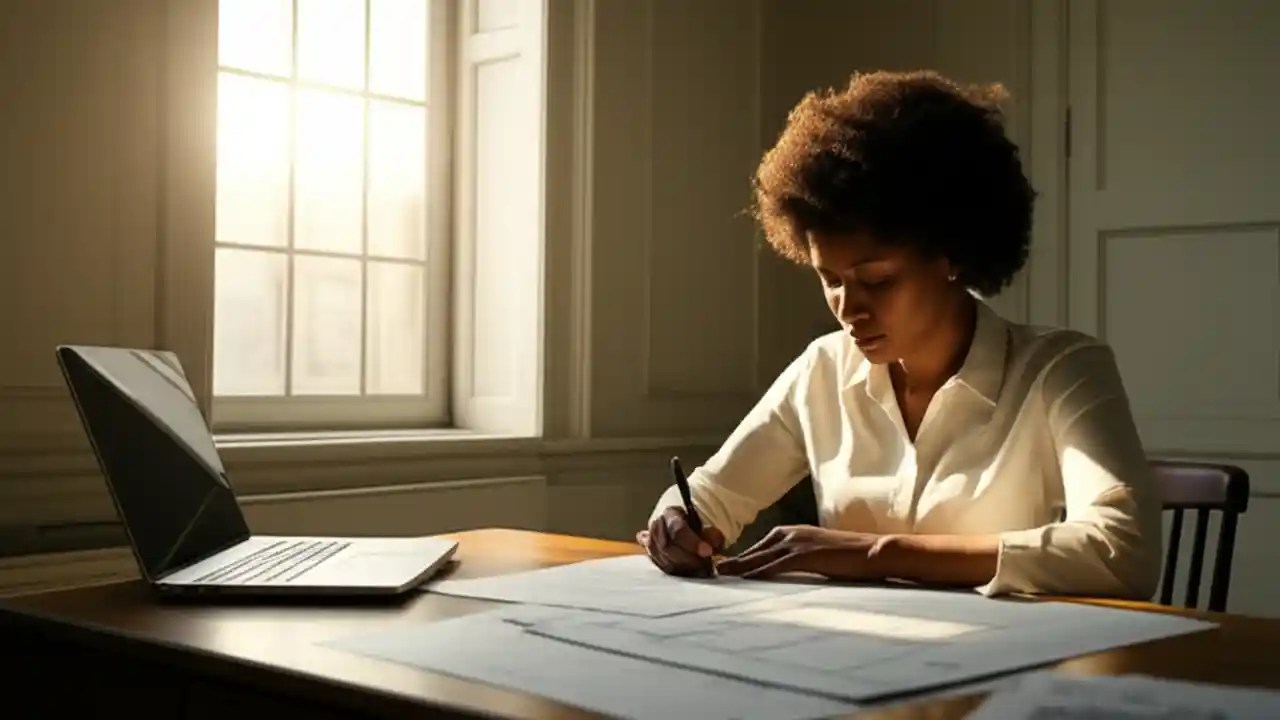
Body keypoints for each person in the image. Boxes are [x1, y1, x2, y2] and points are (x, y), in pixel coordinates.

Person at [636, 70, 1163, 600]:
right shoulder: (823, 370)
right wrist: (676, 524)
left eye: (878, 280)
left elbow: (1122, 552)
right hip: (853, 661)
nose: (848, 308)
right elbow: (707, 497)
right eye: (830, 280)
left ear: (952, 254)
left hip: (1006, 671)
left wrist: (871, 553)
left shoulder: (1062, 370)